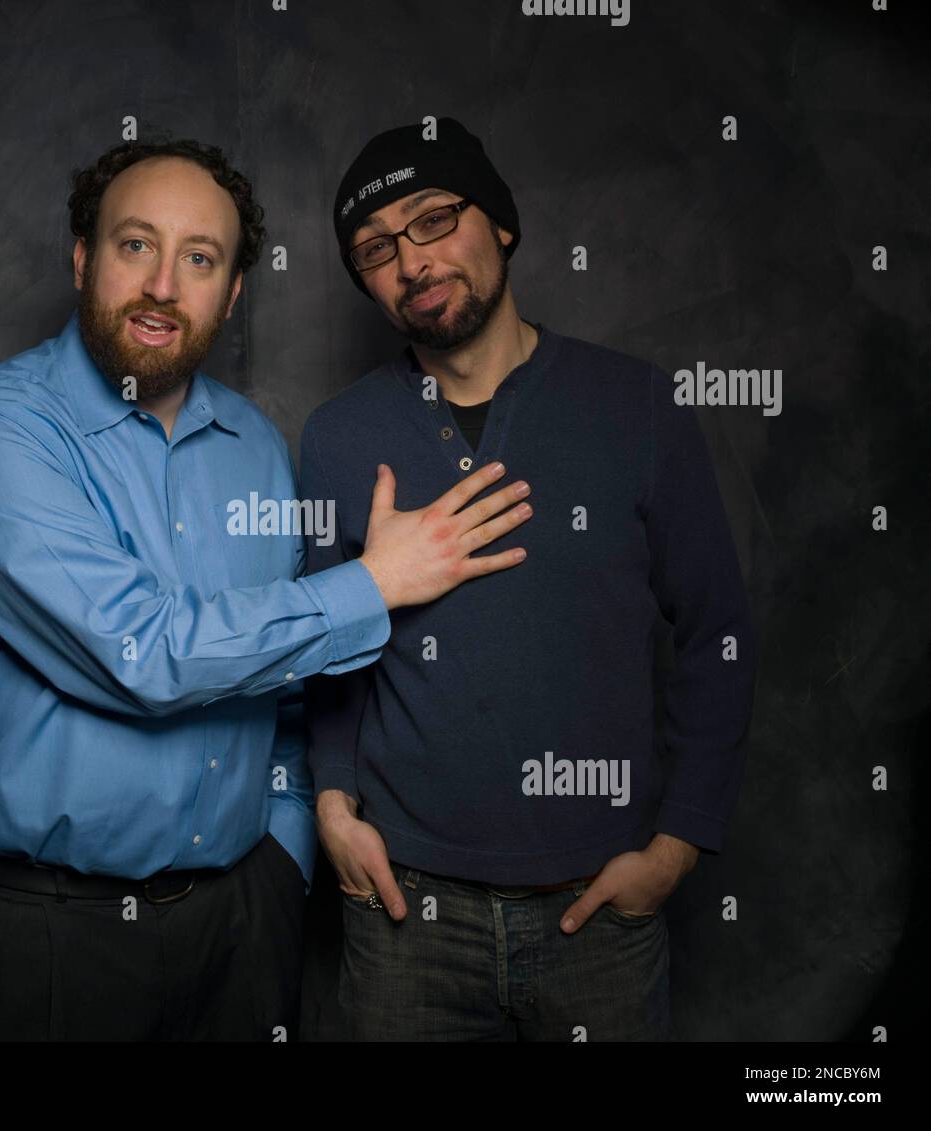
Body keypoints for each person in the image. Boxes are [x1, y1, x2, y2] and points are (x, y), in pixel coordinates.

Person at [0, 135, 533, 1041]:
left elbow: (281, 687)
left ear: (232, 292)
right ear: (83, 258)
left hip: (240, 926)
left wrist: (282, 858)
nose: (164, 284)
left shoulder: (255, 447)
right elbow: (143, 652)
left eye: (199, 258)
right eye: (136, 246)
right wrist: (375, 583)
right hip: (47, 936)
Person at [302, 116, 758, 1041]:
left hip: (598, 912)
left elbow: (718, 631)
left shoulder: (636, 408)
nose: (412, 262)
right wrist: (331, 803)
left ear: (500, 223)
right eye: (376, 248)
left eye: (435, 219)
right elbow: (328, 646)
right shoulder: (339, 435)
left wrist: (675, 847)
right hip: (404, 915)